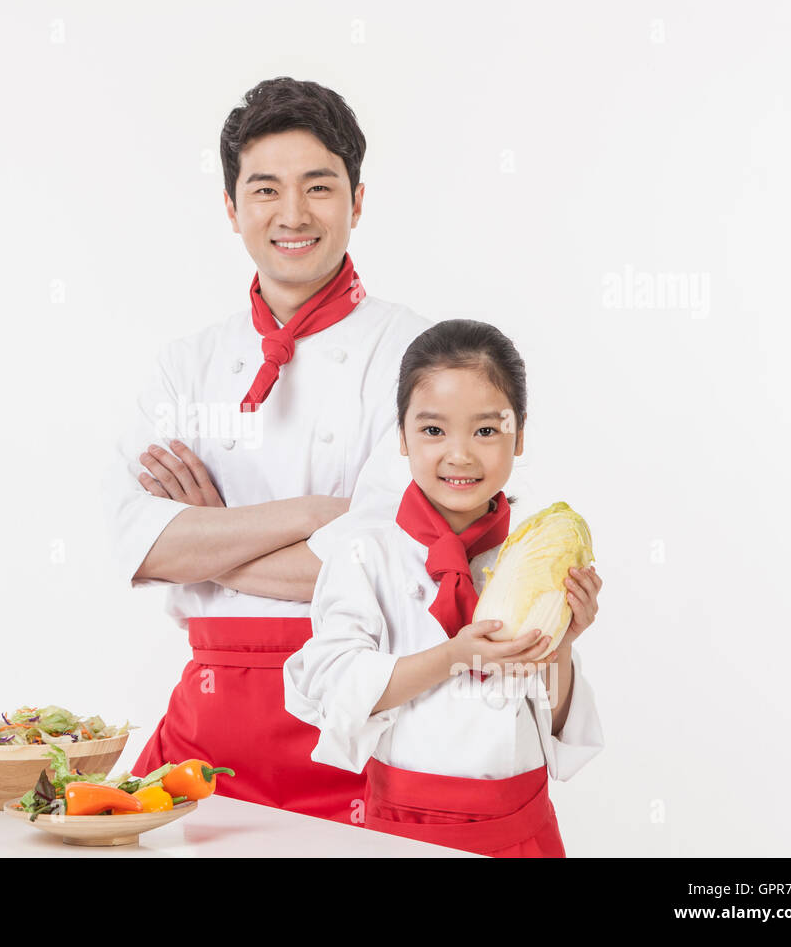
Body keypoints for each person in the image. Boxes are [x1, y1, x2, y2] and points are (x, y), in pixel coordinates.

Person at [102, 77, 431, 825]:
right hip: (207, 723)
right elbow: (136, 545)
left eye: (319, 186)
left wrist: (209, 537)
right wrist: (326, 515)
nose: (292, 215)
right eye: (265, 189)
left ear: (357, 200)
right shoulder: (184, 364)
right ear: (230, 208)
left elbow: (400, 569)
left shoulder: (418, 356)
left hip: (363, 715)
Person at [281, 319, 605, 855]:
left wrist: (561, 644)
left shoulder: (529, 558)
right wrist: (452, 656)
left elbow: (553, 727)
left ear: (519, 435)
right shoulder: (365, 554)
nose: (460, 454)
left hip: (522, 830)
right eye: (434, 430)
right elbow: (335, 686)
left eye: (486, 430)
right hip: (407, 832)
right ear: (402, 437)